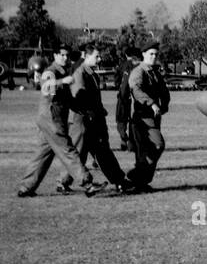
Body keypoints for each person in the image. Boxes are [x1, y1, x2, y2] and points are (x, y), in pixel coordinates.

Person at [16, 46, 102, 197]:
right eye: (61, 55)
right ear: (55, 55)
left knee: (43, 154)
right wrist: (63, 81)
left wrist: (83, 109)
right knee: (67, 150)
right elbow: (45, 86)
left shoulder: (63, 71)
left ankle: (26, 187)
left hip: (50, 118)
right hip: (51, 118)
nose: (65, 58)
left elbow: (67, 99)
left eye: (67, 55)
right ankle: (87, 183)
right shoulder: (52, 71)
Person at [69, 44, 132, 194]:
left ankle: (119, 181)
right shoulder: (80, 73)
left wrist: (99, 110)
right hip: (83, 118)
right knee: (78, 152)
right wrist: (89, 111)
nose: (99, 59)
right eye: (96, 56)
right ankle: (63, 182)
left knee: (102, 150)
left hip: (94, 118)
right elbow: (78, 95)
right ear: (87, 56)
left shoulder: (92, 73)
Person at [127, 43, 170, 190]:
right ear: (143, 54)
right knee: (154, 147)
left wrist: (164, 104)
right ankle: (137, 177)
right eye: (151, 54)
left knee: (150, 149)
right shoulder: (139, 71)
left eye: (156, 54)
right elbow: (135, 89)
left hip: (153, 118)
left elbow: (164, 90)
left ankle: (140, 181)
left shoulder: (154, 72)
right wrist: (151, 103)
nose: (154, 57)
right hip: (141, 119)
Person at [116, 51, 139, 151]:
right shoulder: (137, 66)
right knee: (132, 120)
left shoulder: (122, 65)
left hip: (123, 96)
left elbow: (117, 78)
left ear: (126, 55)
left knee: (121, 119)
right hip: (134, 96)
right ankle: (131, 143)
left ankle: (123, 138)